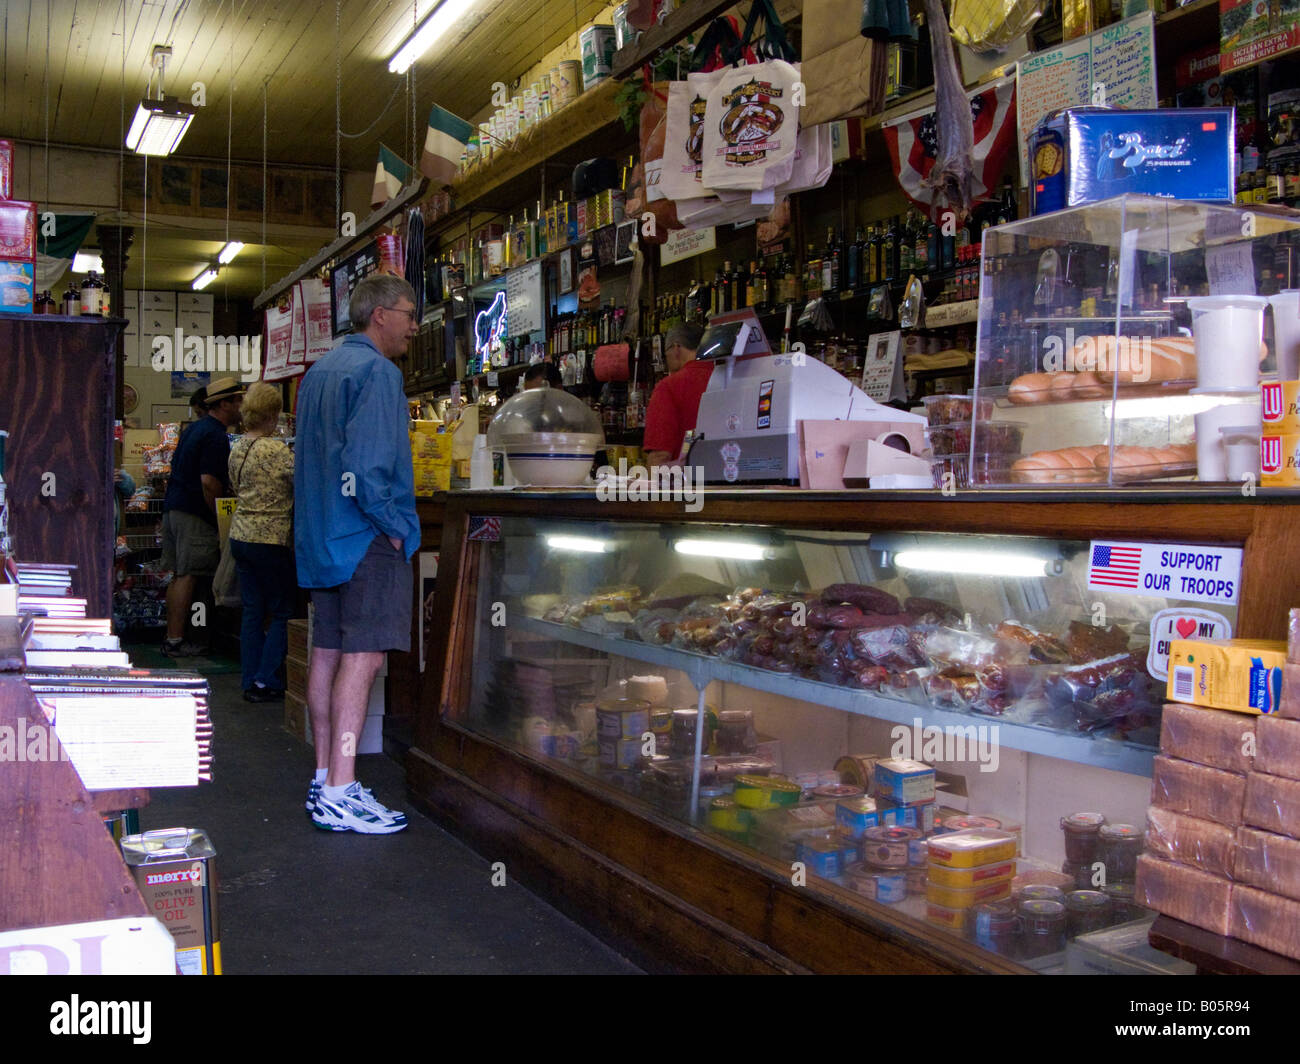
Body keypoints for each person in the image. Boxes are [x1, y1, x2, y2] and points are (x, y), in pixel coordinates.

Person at [295, 274, 421, 834]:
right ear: (379, 316)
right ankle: (344, 789)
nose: (415, 326)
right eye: (409, 314)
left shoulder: (318, 373)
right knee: (365, 658)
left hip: (323, 537)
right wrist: (396, 529)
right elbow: (369, 469)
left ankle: (325, 779)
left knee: (327, 653)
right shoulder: (379, 373)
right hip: (365, 536)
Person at [160, 377, 244, 657]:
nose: (242, 407)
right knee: (192, 576)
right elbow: (208, 482)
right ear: (223, 404)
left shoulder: (194, 429)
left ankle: (173, 637)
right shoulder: (215, 435)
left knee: (180, 575)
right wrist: (219, 515)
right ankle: (183, 639)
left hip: (174, 508)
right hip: (194, 512)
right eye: (238, 401)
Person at [228, 382, 295, 703]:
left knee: (253, 611)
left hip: (240, 535)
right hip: (270, 538)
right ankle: (265, 679)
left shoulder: (237, 448)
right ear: (272, 414)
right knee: (283, 610)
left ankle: (248, 678)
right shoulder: (278, 450)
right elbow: (301, 483)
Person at [643, 322, 710, 468]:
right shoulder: (726, 377)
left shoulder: (668, 387)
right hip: (732, 481)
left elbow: (660, 456)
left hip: (686, 486)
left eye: (665, 351)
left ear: (676, 348)